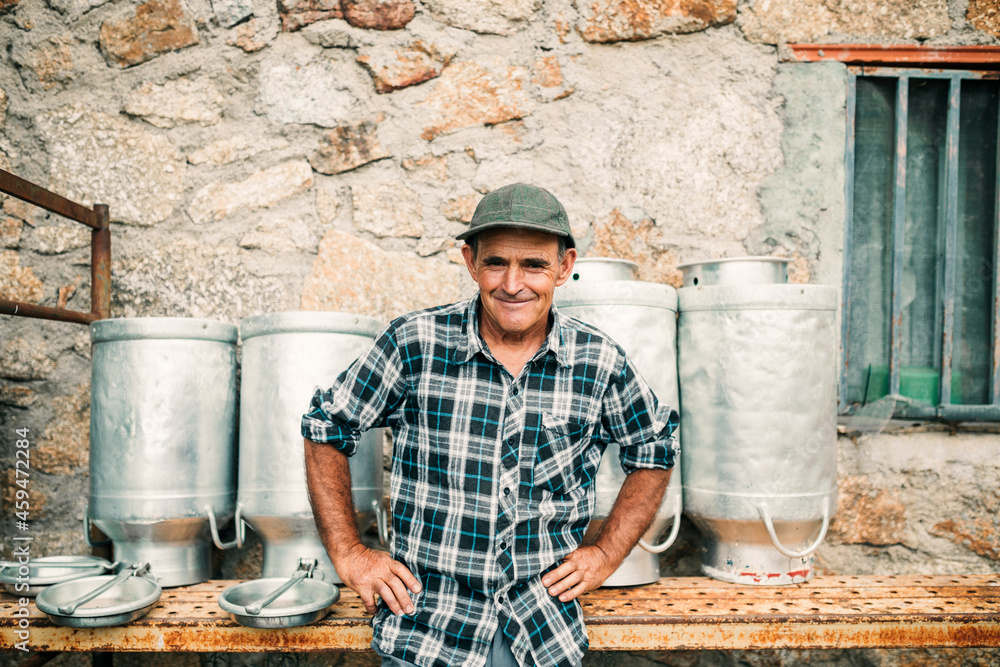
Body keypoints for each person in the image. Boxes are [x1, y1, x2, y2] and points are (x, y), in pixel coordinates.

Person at [302, 183, 678, 667]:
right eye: (496, 262)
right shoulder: (415, 343)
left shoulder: (597, 361)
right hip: (429, 632)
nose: (513, 283)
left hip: (541, 634)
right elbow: (326, 426)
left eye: (535, 265)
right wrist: (350, 553)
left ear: (564, 267)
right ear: (470, 261)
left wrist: (605, 555)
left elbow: (653, 448)